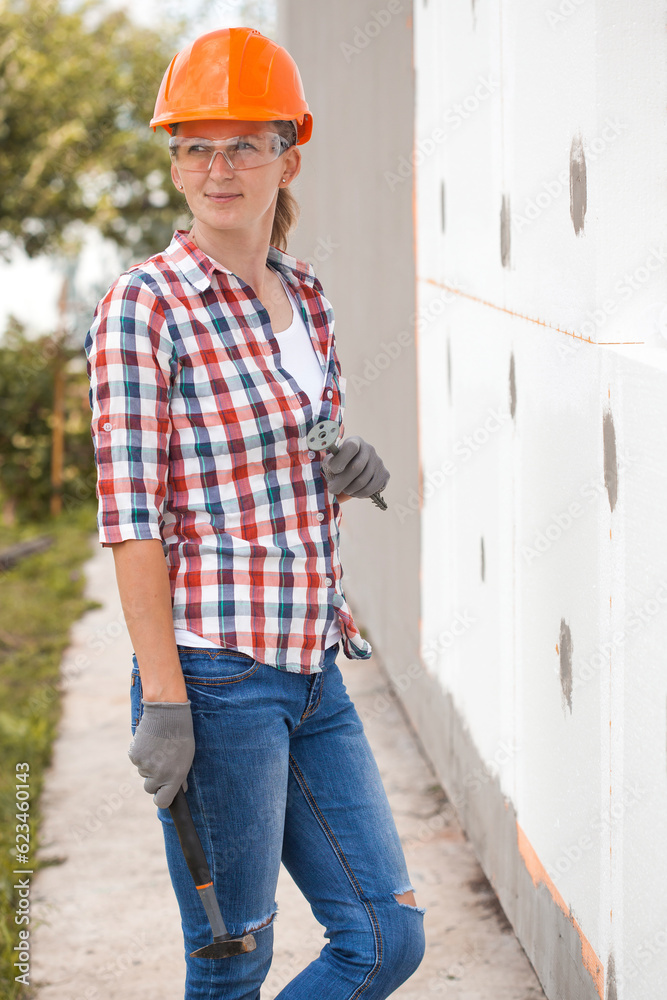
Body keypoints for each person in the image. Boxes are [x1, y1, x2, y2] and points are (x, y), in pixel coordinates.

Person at [84, 25, 426, 1000]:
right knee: (232, 964)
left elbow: (295, 458)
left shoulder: (306, 298)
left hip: (314, 662)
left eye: (243, 143)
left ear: (289, 154)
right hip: (217, 674)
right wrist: (162, 700)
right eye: (195, 144)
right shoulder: (144, 307)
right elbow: (132, 518)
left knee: (383, 936)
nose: (218, 166)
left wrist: (340, 466)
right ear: (176, 164)